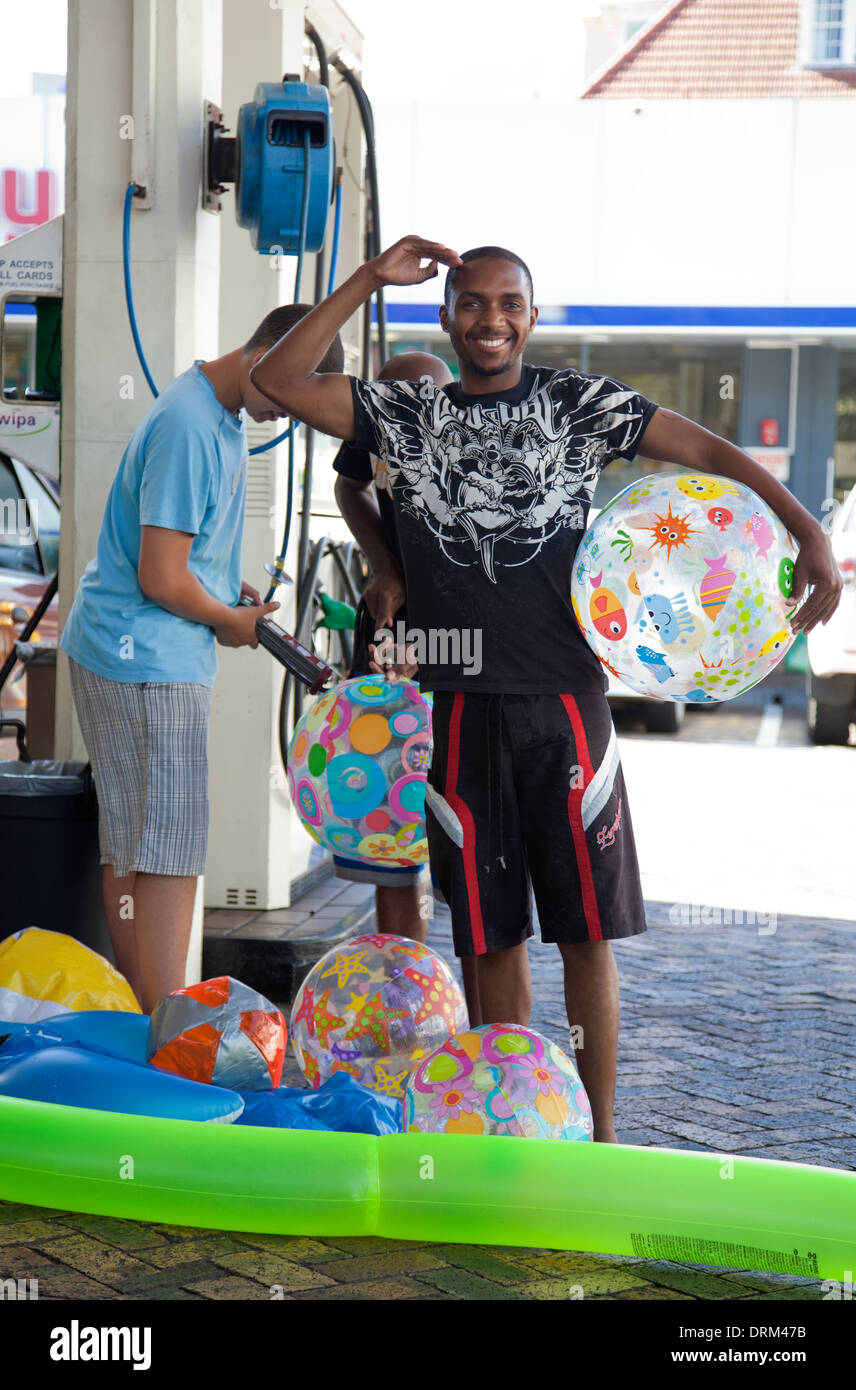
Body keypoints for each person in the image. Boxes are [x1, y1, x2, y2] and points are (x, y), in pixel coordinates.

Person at [247, 236, 841, 1142]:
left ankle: (598, 1138)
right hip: (456, 707)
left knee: (584, 930)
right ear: (447, 315)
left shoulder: (579, 405)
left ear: (531, 312)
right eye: (472, 303)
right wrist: (368, 278)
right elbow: (282, 380)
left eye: (508, 303)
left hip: (565, 707)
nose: (491, 320)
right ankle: (512, 1129)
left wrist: (808, 531)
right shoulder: (405, 415)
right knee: (488, 937)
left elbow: (708, 447)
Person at [60, 306, 344, 1015]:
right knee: (168, 851)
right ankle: (169, 1028)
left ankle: (151, 1016)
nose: (284, 415)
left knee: (136, 845)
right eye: (286, 395)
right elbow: (160, 577)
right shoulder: (192, 426)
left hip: (131, 648)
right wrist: (227, 619)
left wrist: (223, 592)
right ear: (264, 356)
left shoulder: (215, 413)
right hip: (144, 660)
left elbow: (175, 557)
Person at [332, 348, 482, 1024]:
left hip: (472, 651)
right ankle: (407, 1008)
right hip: (390, 630)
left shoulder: (486, 448)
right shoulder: (379, 421)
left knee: (469, 831)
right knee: (390, 823)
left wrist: (445, 641)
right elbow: (349, 486)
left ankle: (483, 1026)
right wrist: (383, 561)